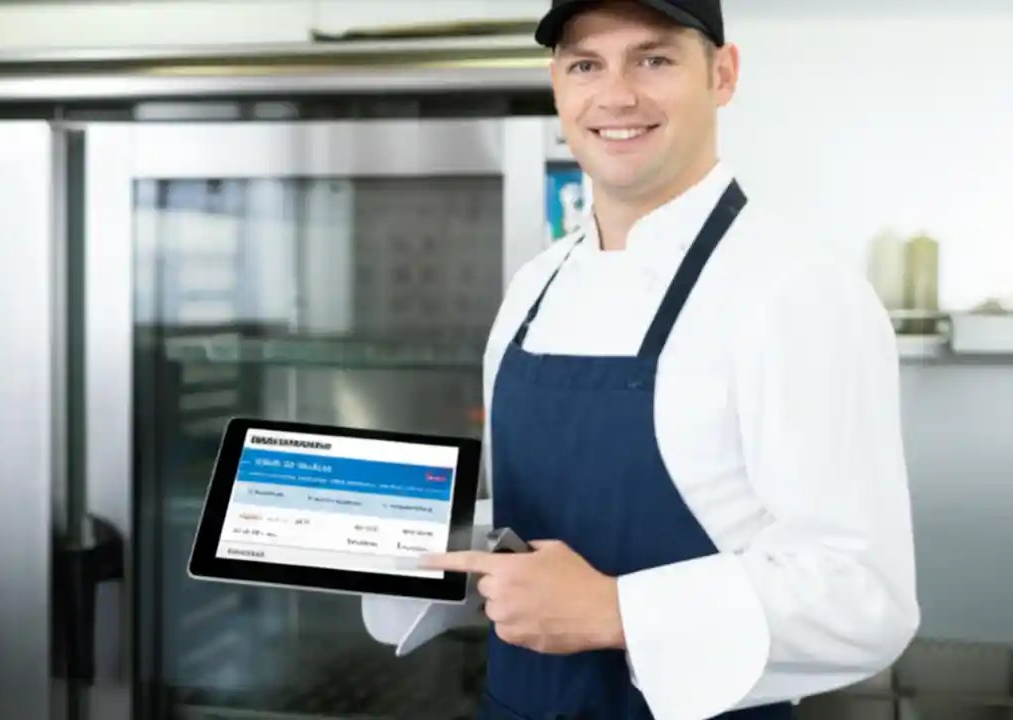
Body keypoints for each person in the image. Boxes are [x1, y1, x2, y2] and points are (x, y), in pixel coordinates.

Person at [363, 1, 921, 718]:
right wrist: (398, 542)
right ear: (557, 85)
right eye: (586, 64)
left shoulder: (795, 290)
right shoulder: (535, 285)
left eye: (653, 59)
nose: (616, 95)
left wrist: (615, 610)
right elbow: (528, 524)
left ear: (723, 74)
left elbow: (862, 596)